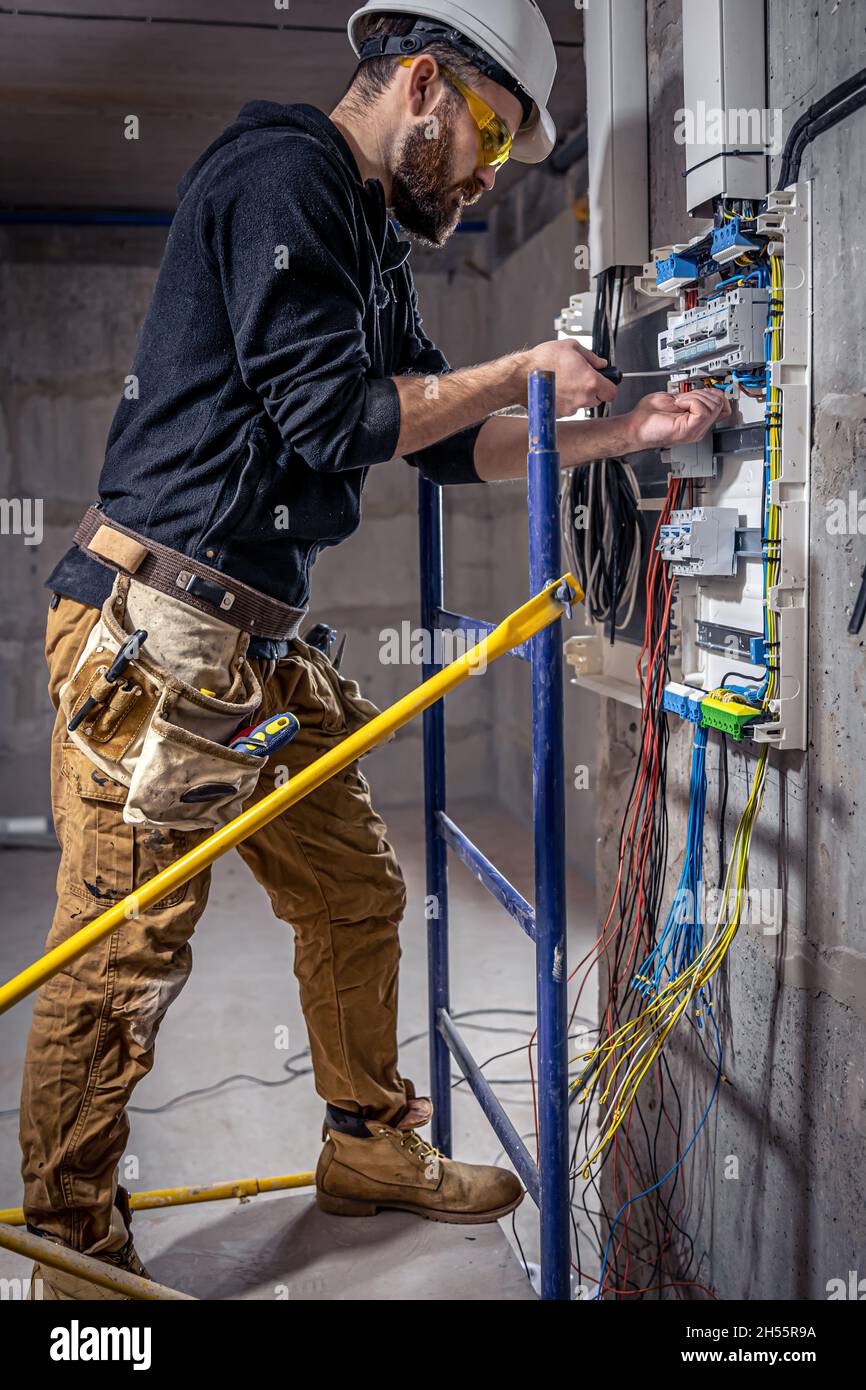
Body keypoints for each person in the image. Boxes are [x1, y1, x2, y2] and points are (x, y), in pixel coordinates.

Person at [20, 0, 730, 1298]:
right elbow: (335, 417)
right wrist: (518, 357)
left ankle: (364, 1147)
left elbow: (447, 442)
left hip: (249, 640)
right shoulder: (284, 168)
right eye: (490, 139)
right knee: (124, 940)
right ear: (420, 80)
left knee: (352, 888)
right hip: (154, 625)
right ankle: (72, 1245)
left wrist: (611, 437)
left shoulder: (372, 241)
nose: (485, 175)